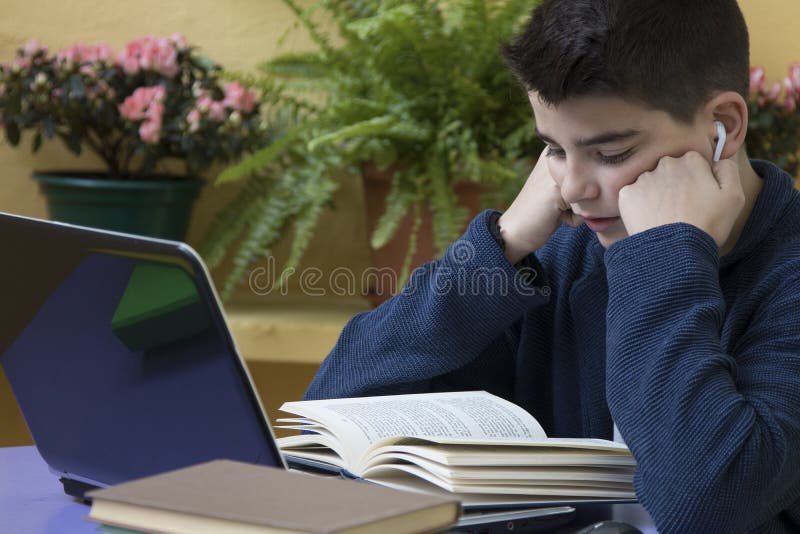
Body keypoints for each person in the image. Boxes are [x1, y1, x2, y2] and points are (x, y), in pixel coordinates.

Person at [303, 1, 800, 531]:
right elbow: (333, 408)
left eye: (610, 154)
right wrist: (505, 243)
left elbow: (707, 501)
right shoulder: (563, 253)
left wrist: (665, 257)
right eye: (554, 150)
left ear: (723, 125)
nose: (574, 189)